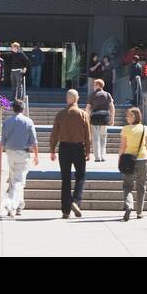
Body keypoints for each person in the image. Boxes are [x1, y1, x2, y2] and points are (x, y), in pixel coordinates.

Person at [48, 88, 91, 219]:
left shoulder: (60, 114)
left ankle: (65, 210)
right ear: (77, 99)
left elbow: (54, 134)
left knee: (65, 179)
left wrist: (52, 149)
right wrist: (88, 151)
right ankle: (76, 201)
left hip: (64, 148)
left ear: (67, 99)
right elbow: (88, 135)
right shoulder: (83, 114)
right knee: (80, 176)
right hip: (78, 148)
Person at [1, 99, 39, 217]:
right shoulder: (28, 121)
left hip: (10, 153)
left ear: (13, 108)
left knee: (14, 178)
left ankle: (19, 205)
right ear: (23, 109)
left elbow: (3, 141)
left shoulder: (7, 122)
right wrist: (36, 155)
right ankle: (12, 203)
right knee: (19, 180)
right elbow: (34, 141)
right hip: (22, 153)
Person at [117, 106, 147, 221]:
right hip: (143, 159)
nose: (126, 117)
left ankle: (129, 205)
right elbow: (146, 145)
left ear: (134, 116)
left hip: (128, 160)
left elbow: (123, 146)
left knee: (127, 185)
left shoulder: (125, 129)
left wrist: (119, 158)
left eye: (128, 115)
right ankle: (140, 212)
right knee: (141, 186)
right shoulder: (145, 128)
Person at [87, 78, 115, 162]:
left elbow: (88, 108)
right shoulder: (107, 94)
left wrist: (87, 118)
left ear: (98, 85)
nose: (93, 86)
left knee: (95, 137)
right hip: (104, 118)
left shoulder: (92, 95)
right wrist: (112, 118)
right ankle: (103, 156)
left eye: (94, 85)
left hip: (95, 118)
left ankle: (97, 156)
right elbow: (112, 107)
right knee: (103, 137)